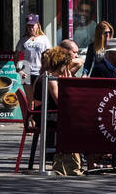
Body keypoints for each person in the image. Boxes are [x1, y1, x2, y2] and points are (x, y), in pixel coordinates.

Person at [33, 47, 82, 176]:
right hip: (45, 116)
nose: (65, 69)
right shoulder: (51, 79)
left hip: (43, 113)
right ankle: (71, 164)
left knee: (74, 121)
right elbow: (60, 102)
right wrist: (68, 84)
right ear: (60, 65)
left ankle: (70, 162)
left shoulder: (46, 74)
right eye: (64, 66)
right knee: (75, 123)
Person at [16, 16, 49, 85]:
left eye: (32, 26)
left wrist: (47, 69)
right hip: (25, 72)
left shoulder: (44, 38)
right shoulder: (23, 39)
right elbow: (16, 55)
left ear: (37, 25)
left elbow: (49, 55)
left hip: (40, 72)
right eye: (28, 26)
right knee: (29, 96)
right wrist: (19, 70)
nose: (31, 28)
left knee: (37, 95)